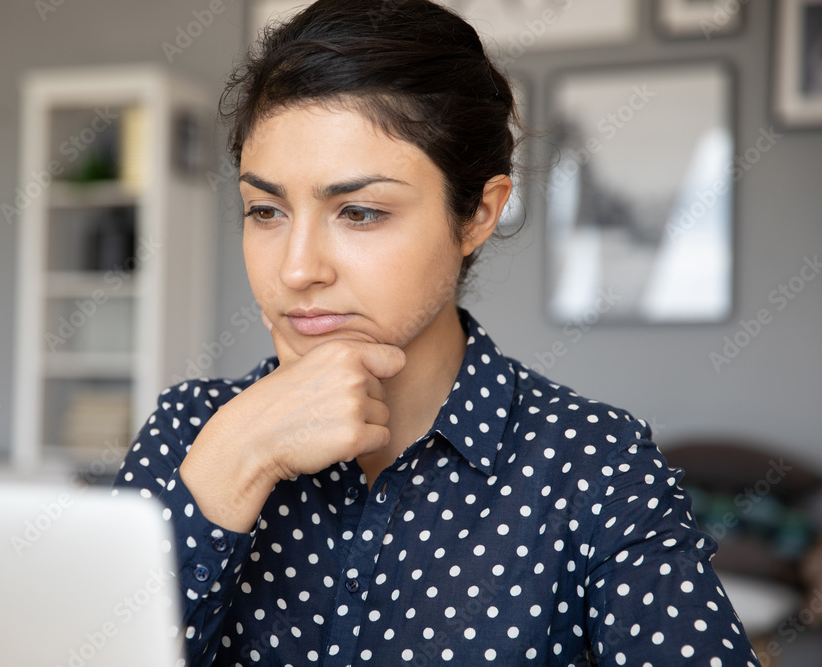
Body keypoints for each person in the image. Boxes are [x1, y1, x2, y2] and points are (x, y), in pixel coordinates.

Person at [114, 0, 761, 664]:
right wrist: (237, 462)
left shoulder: (592, 464)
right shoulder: (191, 432)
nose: (297, 267)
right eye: (266, 209)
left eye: (360, 212)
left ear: (479, 213)